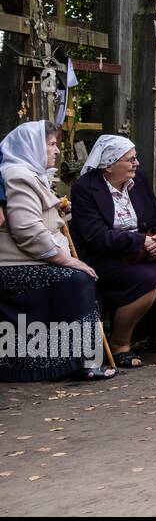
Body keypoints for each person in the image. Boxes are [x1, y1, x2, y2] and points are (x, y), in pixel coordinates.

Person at [0, 121, 114, 381]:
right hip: (15, 267)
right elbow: (27, 230)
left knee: (81, 277)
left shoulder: (32, 175)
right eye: (51, 144)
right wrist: (67, 261)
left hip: (32, 262)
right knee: (78, 279)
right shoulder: (18, 175)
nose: (57, 151)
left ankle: (75, 361)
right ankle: (79, 363)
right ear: (31, 146)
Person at [69, 135, 156, 367]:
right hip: (104, 257)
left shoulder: (138, 181)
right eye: (130, 160)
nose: (136, 164)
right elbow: (96, 236)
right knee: (146, 280)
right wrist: (141, 242)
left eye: (135, 159)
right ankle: (119, 344)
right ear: (109, 165)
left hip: (141, 252)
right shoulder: (85, 188)